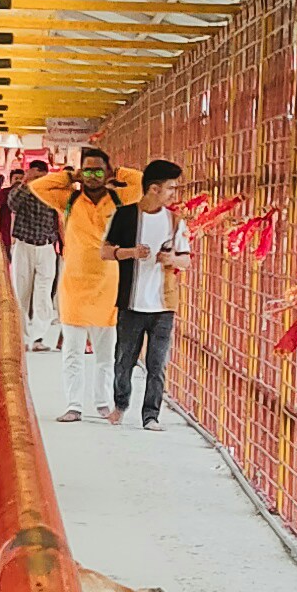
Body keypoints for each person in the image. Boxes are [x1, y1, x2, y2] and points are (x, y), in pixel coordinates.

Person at [106, 158, 192, 428]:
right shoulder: (125, 215)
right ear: (154, 189)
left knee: (158, 364)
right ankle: (120, 404)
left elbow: (186, 260)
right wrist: (131, 253)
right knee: (124, 360)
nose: (173, 194)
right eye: (170, 189)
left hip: (163, 306)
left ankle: (150, 415)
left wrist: (171, 260)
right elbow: (106, 251)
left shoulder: (175, 221)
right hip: (131, 303)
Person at [53, 150, 122, 420]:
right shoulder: (69, 199)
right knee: (73, 351)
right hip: (74, 287)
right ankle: (74, 405)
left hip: (107, 285)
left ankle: (103, 402)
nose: (93, 176)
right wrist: (71, 176)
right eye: (87, 171)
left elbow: (141, 183)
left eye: (98, 170)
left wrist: (118, 175)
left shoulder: (118, 200)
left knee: (106, 354)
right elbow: (40, 186)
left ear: (107, 172)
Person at [6, 158, 65, 351]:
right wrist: (26, 183)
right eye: (36, 176)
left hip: (47, 248)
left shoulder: (51, 192)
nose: (39, 180)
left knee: (43, 294)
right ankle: (22, 338)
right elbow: (12, 204)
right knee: (21, 292)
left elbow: (61, 213)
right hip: (24, 246)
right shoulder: (21, 189)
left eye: (42, 177)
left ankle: (38, 337)